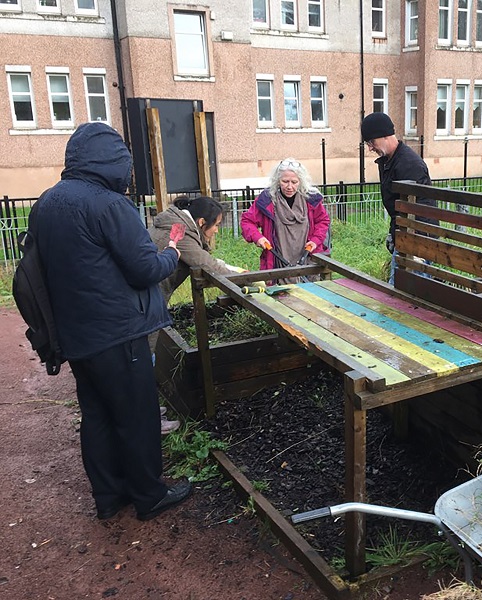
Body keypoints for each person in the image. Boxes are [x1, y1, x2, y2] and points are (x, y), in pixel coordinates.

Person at [34, 122, 192, 521]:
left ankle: (108, 497)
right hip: (118, 332)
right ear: (112, 162)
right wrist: (172, 253)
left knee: (98, 416)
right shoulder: (108, 204)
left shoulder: (47, 203)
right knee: (137, 416)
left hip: (76, 334)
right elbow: (143, 269)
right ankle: (149, 494)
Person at [147, 195, 244, 434]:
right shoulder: (179, 232)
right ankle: (146, 418)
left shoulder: (178, 224)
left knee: (144, 354)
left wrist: (230, 267)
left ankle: (146, 406)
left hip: (147, 299)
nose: (217, 231)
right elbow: (207, 265)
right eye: (217, 225)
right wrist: (242, 277)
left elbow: (205, 258)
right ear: (202, 222)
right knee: (144, 355)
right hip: (145, 303)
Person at [360, 112, 437, 285]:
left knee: (411, 294)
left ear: (385, 136)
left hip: (418, 239)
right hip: (405, 234)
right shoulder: (390, 161)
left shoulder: (409, 165)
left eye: (372, 142)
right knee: (397, 291)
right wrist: (393, 233)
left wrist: (412, 246)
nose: (370, 148)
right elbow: (398, 208)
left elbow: (419, 210)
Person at [240, 158, 330, 283]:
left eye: (294, 182)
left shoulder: (311, 199)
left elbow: (323, 221)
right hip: (277, 263)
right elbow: (247, 221)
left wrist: (315, 241)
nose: (289, 186)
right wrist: (257, 237)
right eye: (285, 181)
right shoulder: (267, 200)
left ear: (301, 181)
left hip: (307, 260)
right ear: (277, 181)